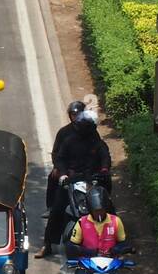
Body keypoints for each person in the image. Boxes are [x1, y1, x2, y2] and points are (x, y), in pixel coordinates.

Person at [38, 108, 110, 258]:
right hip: (72, 180)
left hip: (92, 181)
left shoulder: (96, 141)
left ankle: (113, 242)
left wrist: (104, 170)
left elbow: (105, 155)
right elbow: (60, 158)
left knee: (108, 207)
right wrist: (63, 174)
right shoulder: (69, 140)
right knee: (56, 210)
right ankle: (48, 244)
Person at [45, 100, 87, 216]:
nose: (76, 117)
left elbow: (98, 152)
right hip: (67, 169)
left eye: (78, 114)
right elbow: (56, 154)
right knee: (52, 177)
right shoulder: (63, 133)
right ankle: (51, 208)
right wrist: (61, 169)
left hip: (86, 170)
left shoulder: (91, 131)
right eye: (73, 114)